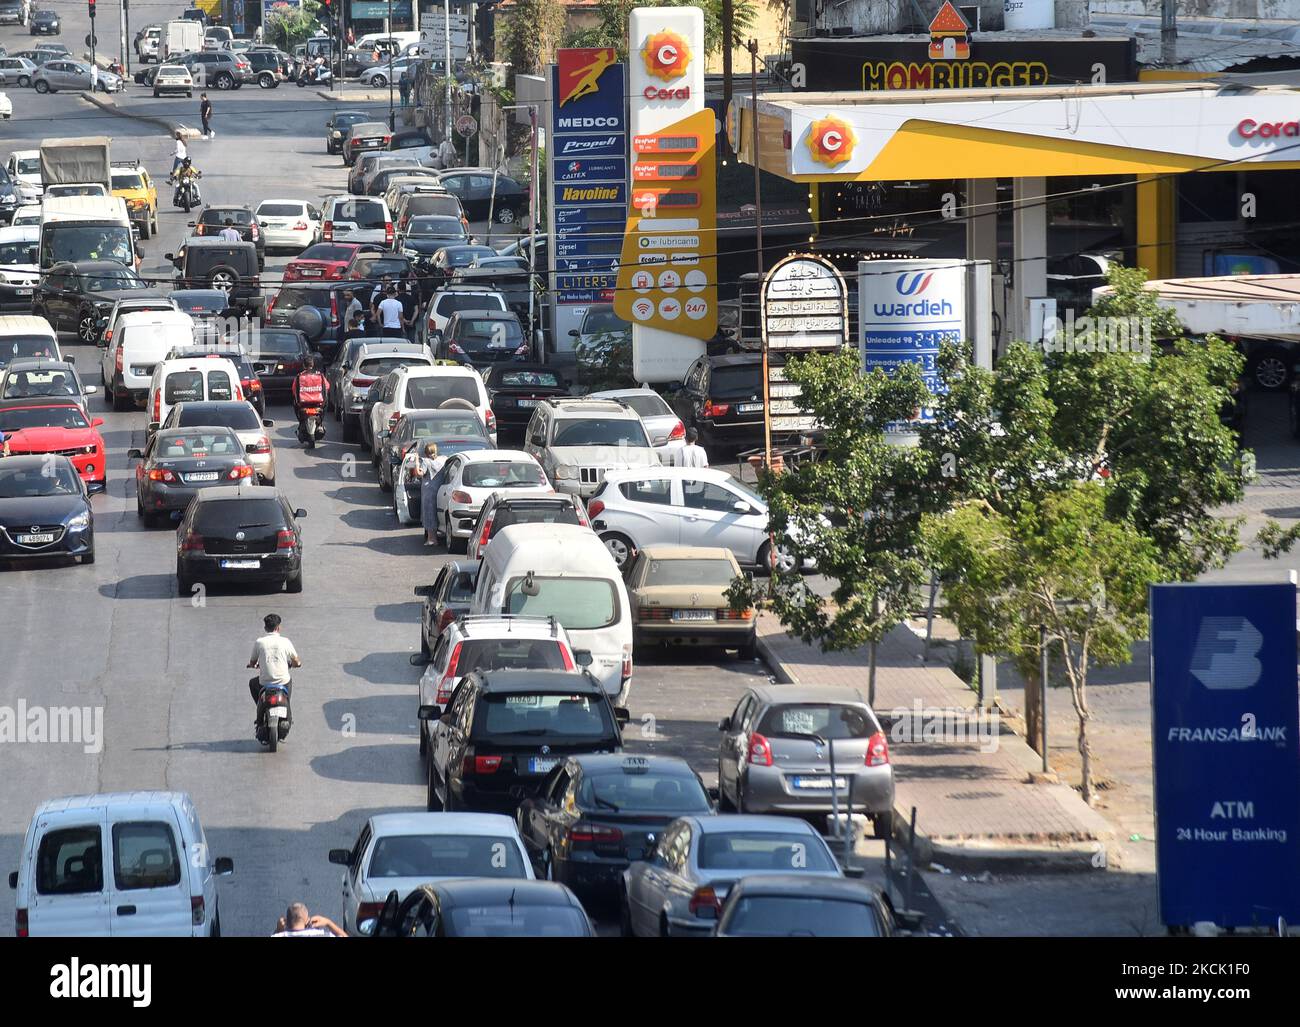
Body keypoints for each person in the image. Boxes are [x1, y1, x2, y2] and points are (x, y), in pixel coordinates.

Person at [246, 613, 301, 710]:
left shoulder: (260, 642)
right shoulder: (285, 641)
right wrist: (293, 664)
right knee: (289, 680)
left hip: (264, 683)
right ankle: (286, 706)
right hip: (283, 682)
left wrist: (253, 665)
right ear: (278, 628)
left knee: (252, 683)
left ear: (265, 628)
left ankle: (260, 707)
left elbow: (252, 662)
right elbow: (296, 662)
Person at [414, 441, 447, 545]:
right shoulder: (443, 460)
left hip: (428, 492)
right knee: (436, 514)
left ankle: (432, 539)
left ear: (426, 452)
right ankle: (434, 537)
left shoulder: (425, 462)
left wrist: (416, 461)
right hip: (440, 490)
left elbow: (419, 474)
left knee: (429, 514)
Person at [291, 354, 329, 441]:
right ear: (312, 365)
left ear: (304, 365)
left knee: (294, 404)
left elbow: (294, 390)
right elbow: (327, 387)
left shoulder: (299, 376)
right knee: (325, 405)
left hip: (302, 404)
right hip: (319, 404)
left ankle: (301, 424)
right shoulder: (320, 375)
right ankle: (320, 423)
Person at [272, 903, 345, 938]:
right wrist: (328, 923)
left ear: (286, 922)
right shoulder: (324, 935)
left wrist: (278, 930)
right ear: (307, 921)